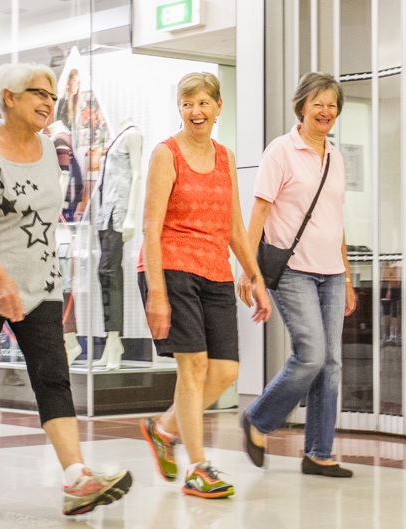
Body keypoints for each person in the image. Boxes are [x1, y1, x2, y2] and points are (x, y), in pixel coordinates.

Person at [0, 63, 132, 515]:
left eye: (52, 95)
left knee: (54, 379)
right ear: (8, 98)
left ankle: (76, 477)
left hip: (40, 288)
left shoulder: (49, 150)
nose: (47, 101)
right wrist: (0, 281)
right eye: (36, 92)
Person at [137, 72, 271, 499]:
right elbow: (150, 227)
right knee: (192, 367)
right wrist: (156, 292)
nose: (195, 111)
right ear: (180, 108)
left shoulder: (225, 157)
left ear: (218, 107)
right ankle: (198, 466)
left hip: (213, 270)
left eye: (202, 103)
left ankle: (163, 429)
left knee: (226, 371)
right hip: (172, 266)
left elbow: (233, 225)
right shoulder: (166, 154)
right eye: (186, 103)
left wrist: (255, 276)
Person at [239, 72, 358, 478]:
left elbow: (336, 219)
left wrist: (347, 273)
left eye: (332, 105)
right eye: (318, 103)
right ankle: (258, 418)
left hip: (331, 273)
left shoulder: (335, 157)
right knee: (311, 356)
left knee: (331, 364)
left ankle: (319, 453)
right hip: (292, 271)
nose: (325, 111)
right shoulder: (281, 151)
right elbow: (258, 212)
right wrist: (248, 269)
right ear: (302, 106)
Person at [93, 119, 144, 370]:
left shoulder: (132, 134)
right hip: (105, 214)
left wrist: (131, 216)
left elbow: (137, 175)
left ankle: (114, 341)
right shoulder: (118, 136)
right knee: (104, 275)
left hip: (118, 214)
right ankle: (111, 340)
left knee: (111, 274)